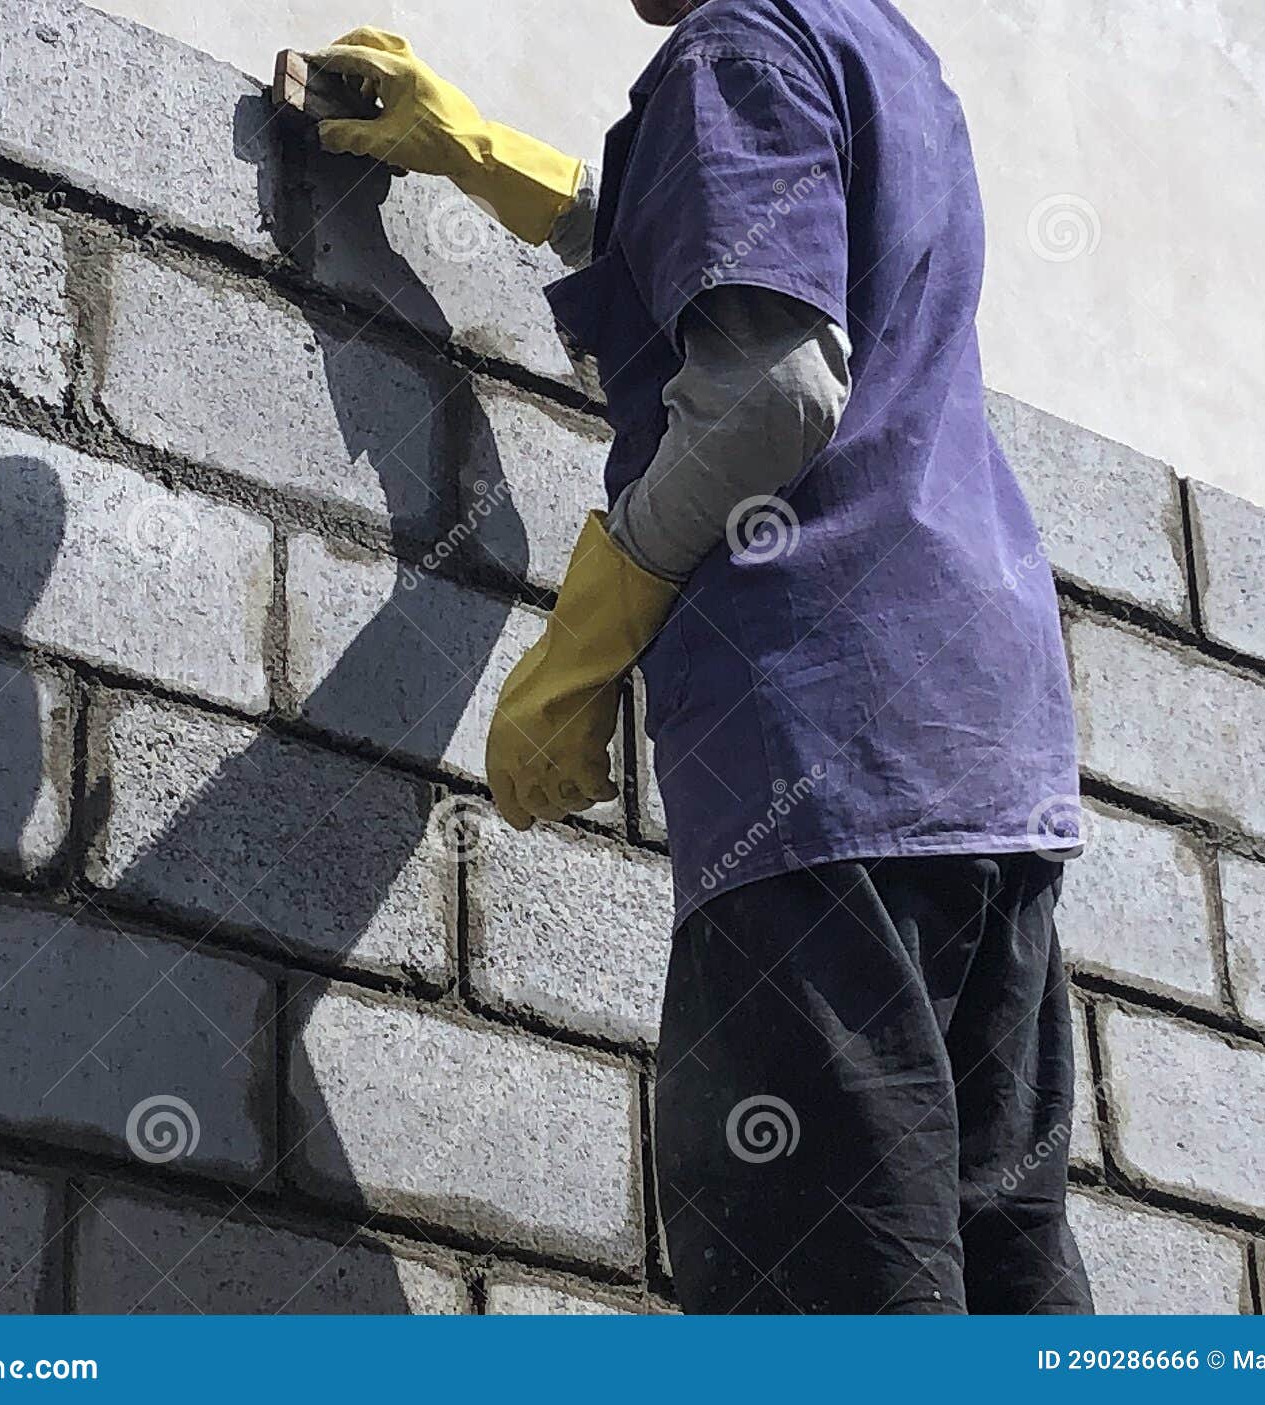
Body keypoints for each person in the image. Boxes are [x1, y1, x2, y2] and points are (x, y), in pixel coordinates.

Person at [308, 0, 1093, 1314]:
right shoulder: (880, 52)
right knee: (996, 1280)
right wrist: (485, 154)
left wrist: (591, 630)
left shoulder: (733, 47)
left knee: (828, 1288)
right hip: (977, 760)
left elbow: (775, 391)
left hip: (821, 752)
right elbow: (744, 243)